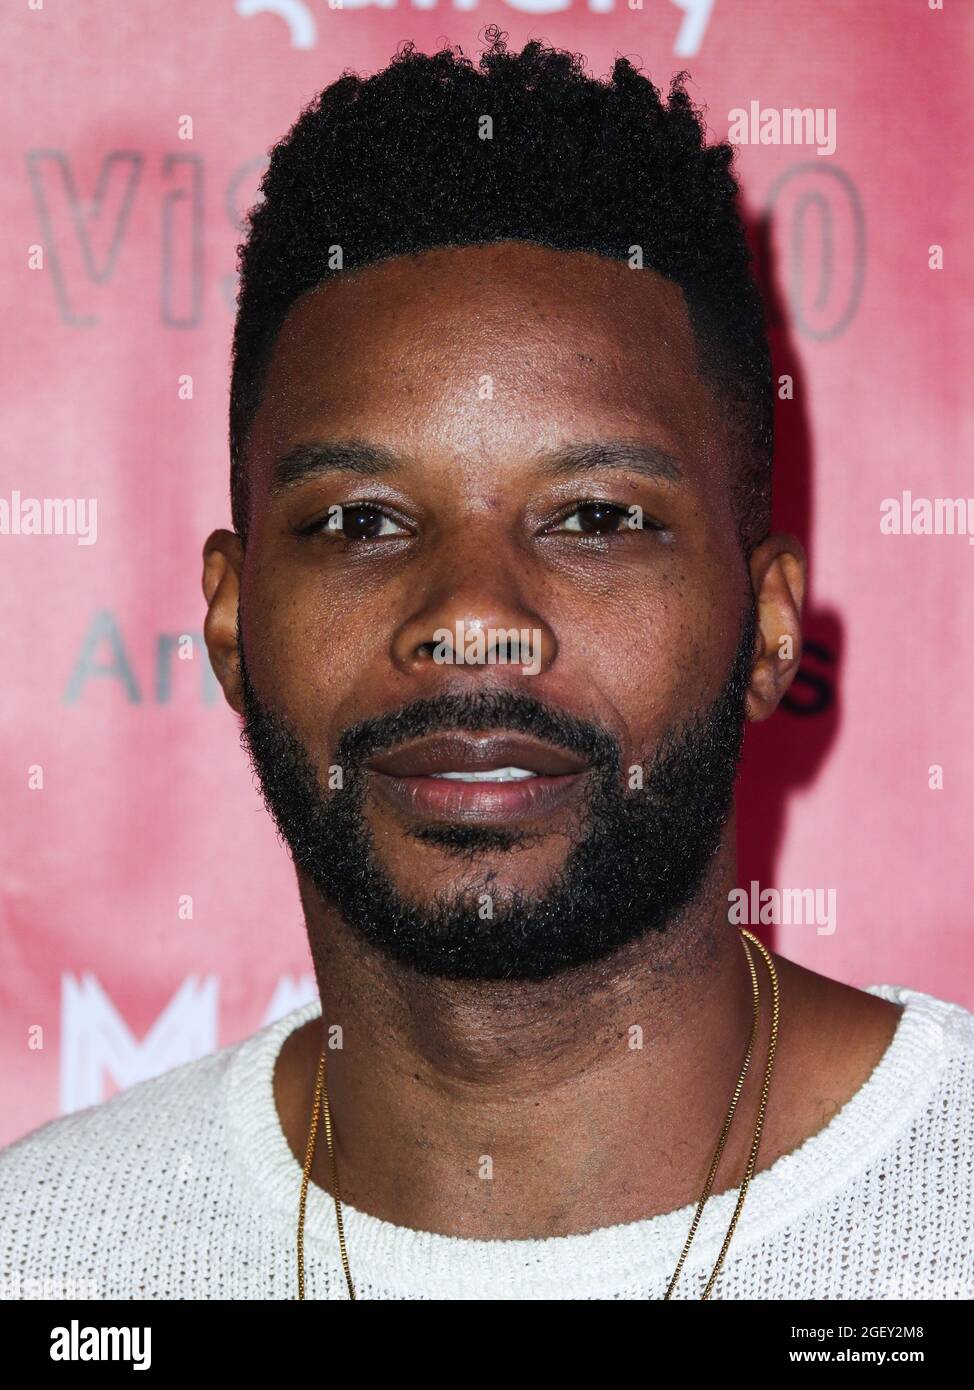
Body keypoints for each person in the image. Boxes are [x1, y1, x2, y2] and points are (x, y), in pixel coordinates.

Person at [2, 30, 971, 1302]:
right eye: (361, 521)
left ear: (769, 625)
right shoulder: (52, 1260)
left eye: (596, 518)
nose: (469, 618)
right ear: (234, 626)